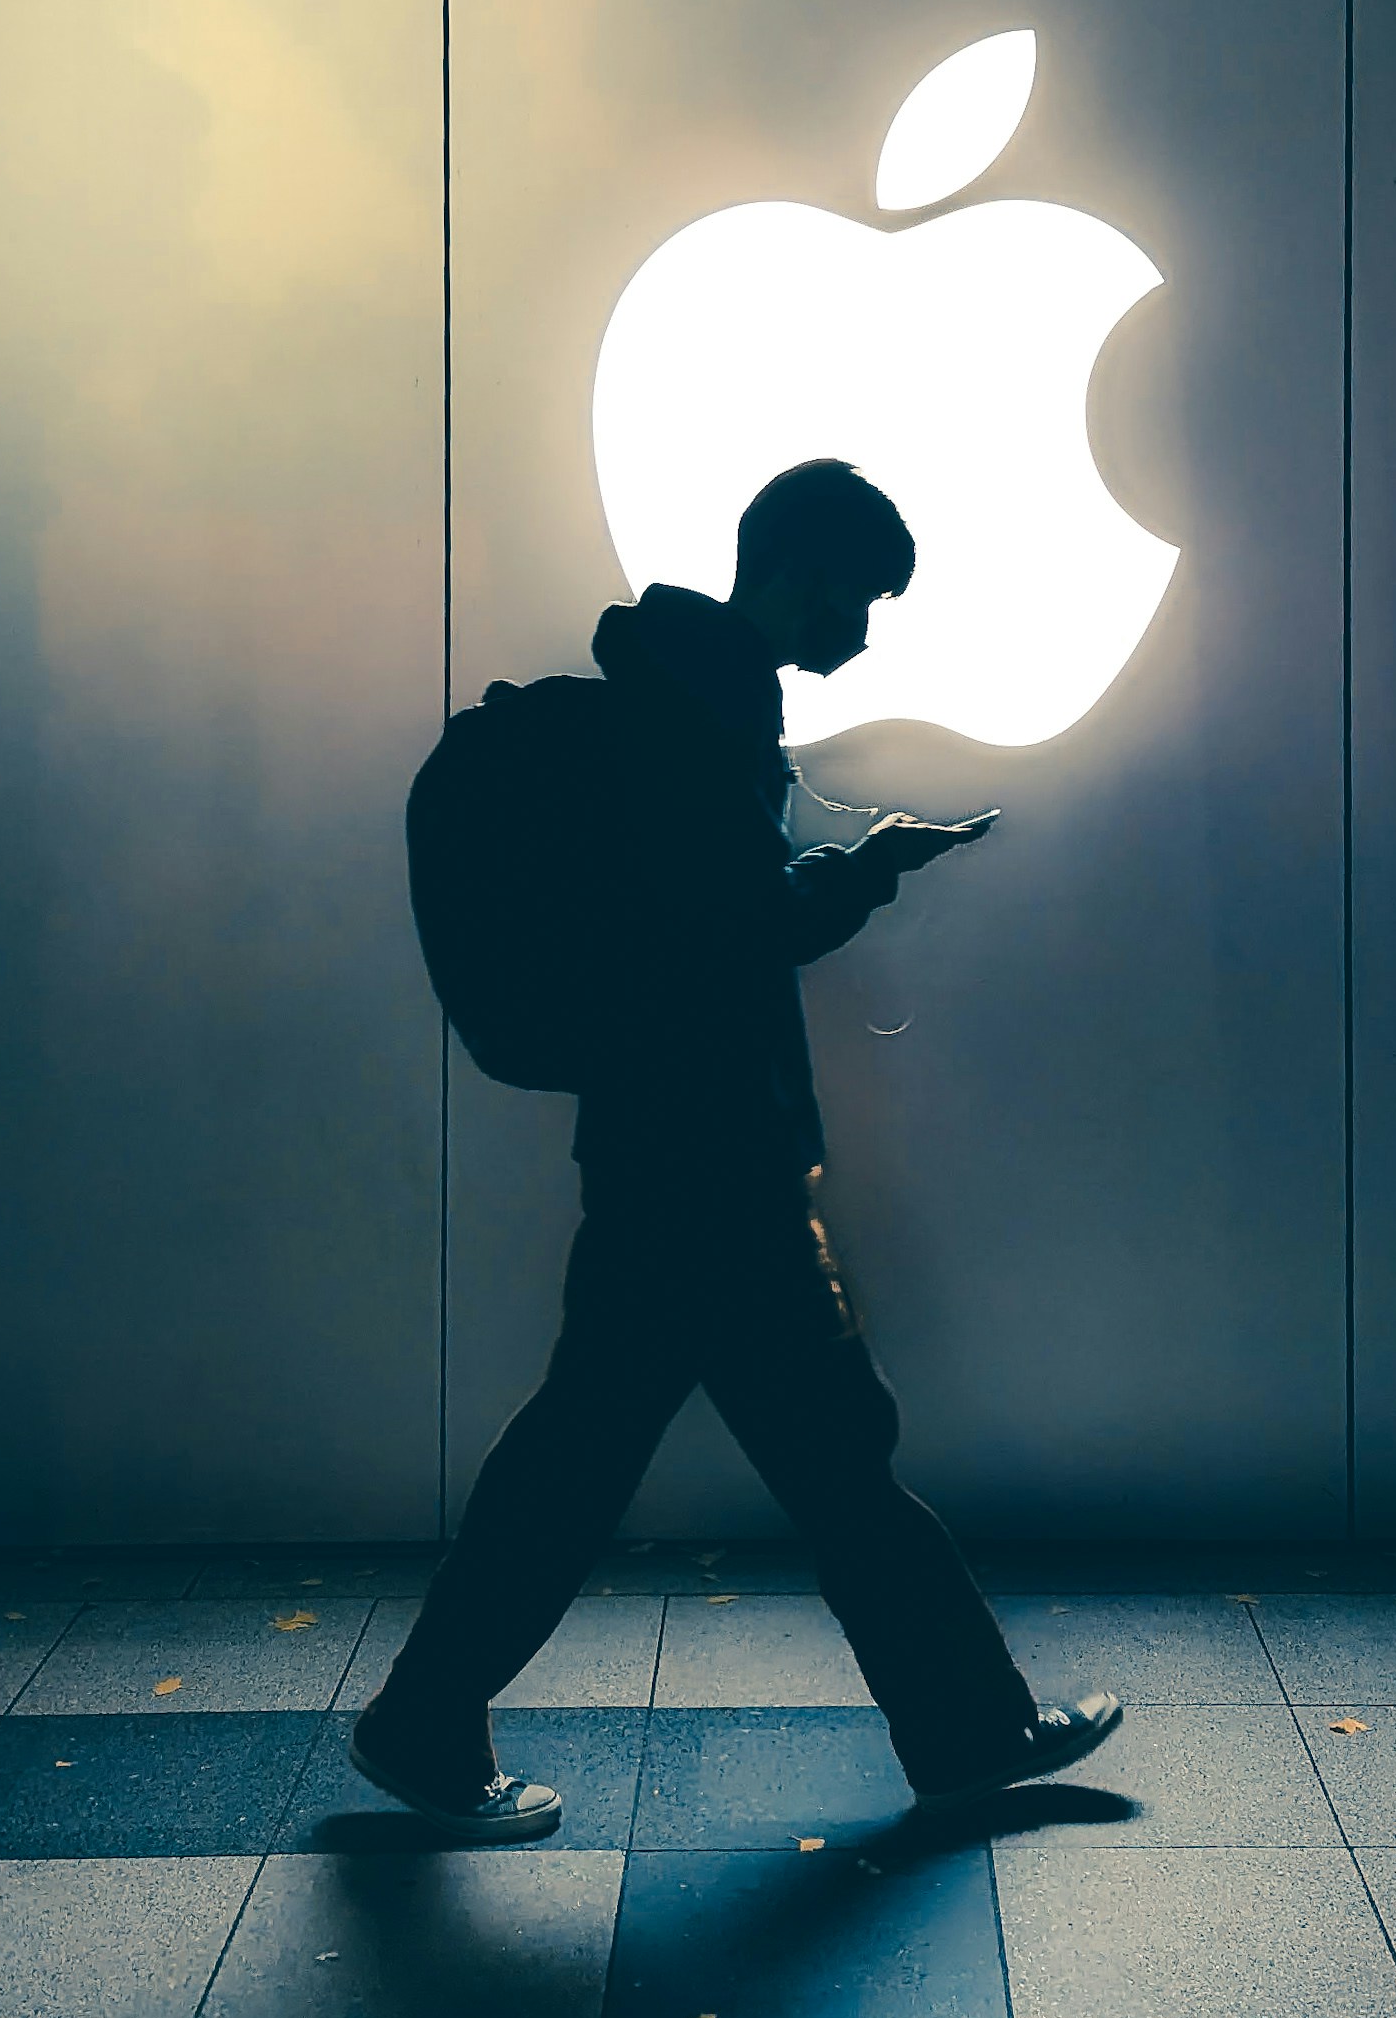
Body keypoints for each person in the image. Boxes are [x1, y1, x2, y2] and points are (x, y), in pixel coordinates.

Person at [352, 455, 1120, 1837]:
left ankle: (960, 1722)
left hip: (671, 1147)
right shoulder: (701, 711)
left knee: (708, 1452)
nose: (867, 631)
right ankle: (962, 1723)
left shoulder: (677, 693)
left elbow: (697, 921)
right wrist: (864, 873)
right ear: (796, 568)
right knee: (771, 1457)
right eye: (862, 595)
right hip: (708, 1159)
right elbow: (725, 933)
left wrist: (841, 873)